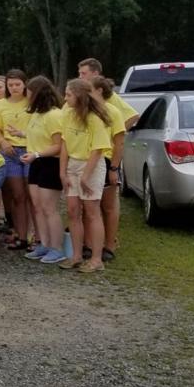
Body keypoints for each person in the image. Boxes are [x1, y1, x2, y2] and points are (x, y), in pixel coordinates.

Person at [58, 78, 112, 273]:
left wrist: (85, 176)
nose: (65, 98)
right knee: (72, 210)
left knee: (91, 211)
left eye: (69, 94)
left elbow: (98, 150)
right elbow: (64, 143)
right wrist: (62, 171)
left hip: (91, 166)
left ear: (80, 96)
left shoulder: (94, 119)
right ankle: (76, 255)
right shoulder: (68, 114)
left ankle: (97, 259)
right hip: (73, 163)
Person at [19, 76, 67, 265]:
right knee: (38, 207)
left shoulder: (54, 115)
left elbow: (58, 145)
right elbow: (36, 135)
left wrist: (37, 154)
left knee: (49, 208)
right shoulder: (37, 114)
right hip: (36, 162)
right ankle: (44, 244)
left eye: (29, 92)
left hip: (50, 163)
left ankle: (57, 248)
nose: (27, 96)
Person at [0, 69, 32, 249]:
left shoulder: (32, 102)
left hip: (31, 151)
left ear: (24, 84)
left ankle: (34, 236)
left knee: (32, 196)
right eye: (11, 85)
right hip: (10, 152)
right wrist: (3, 142)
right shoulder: (0, 105)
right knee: (18, 195)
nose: (14, 88)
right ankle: (21, 236)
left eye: (17, 84)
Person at [89, 76, 127, 262]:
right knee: (89, 205)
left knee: (108, 205)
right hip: (87, 159)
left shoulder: (113, 112)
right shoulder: (85, 111)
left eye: (89, 90)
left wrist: (114, 168)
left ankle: (110, 244)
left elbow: (119, 143)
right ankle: (90, 243)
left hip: (106, 159)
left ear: (99, 91)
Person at [78, 58, 138, 130]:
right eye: (79, 73)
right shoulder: (82, 93)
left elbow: (133, 116)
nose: (80, 77)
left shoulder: (107, 94)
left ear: (95, 74)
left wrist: (116, 135)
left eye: (83, 73)